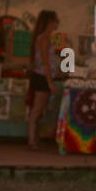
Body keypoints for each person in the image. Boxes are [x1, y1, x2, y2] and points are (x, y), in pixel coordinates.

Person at [26, 9, 59, 149]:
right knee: (37, 110)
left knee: (38, 110)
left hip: (40, 76)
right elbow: (45, 62)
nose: (57, 24)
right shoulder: (44, 39)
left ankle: (35, 139)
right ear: (50, 22)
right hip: (42, 77)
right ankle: (32, 140)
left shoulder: (42, 37)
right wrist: (50, 82)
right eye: (56, 21)